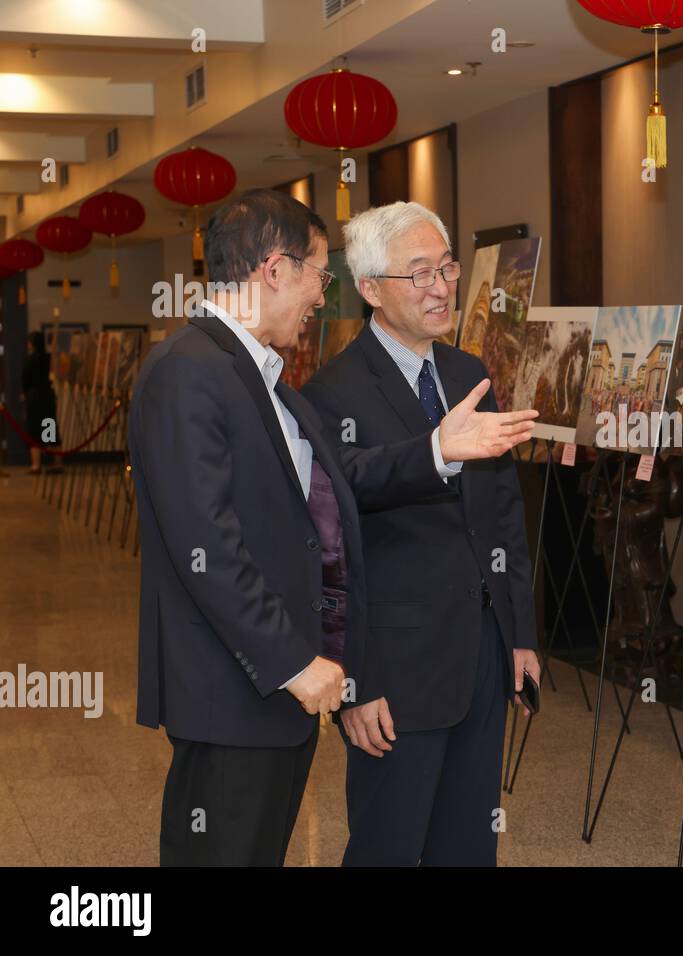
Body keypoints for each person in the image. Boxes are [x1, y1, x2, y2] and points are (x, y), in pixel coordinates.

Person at [130, 189, 534, 867]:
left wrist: (436, 452)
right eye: (320, 274)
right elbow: (209, 547)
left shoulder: (261, 376)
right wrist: (303, 664)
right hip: (238, 687)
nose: (323, 296)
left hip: (277, 691)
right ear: (274, 269)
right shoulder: (189, 374)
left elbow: (344, 491)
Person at [301, 201, 541, 867]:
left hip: (482, 658)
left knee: (468, 848)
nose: (440, 287)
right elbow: (329, 552)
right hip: (394, 675)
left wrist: (519, 633)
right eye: (419, 274)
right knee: (388, 847)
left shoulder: (469, 375)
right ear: (372, 289)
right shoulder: (332, 394)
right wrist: (355, 681)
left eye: (446, 268)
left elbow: (501, 513)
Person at [21, 332, 58, 473]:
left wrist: (25, 394)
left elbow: (25, 380)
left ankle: (36, 465)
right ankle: (56, 463)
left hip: (35, 399)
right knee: (50, 428)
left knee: (35, 431)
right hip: (48, 397)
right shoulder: (49, 359)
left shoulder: (30, 360)